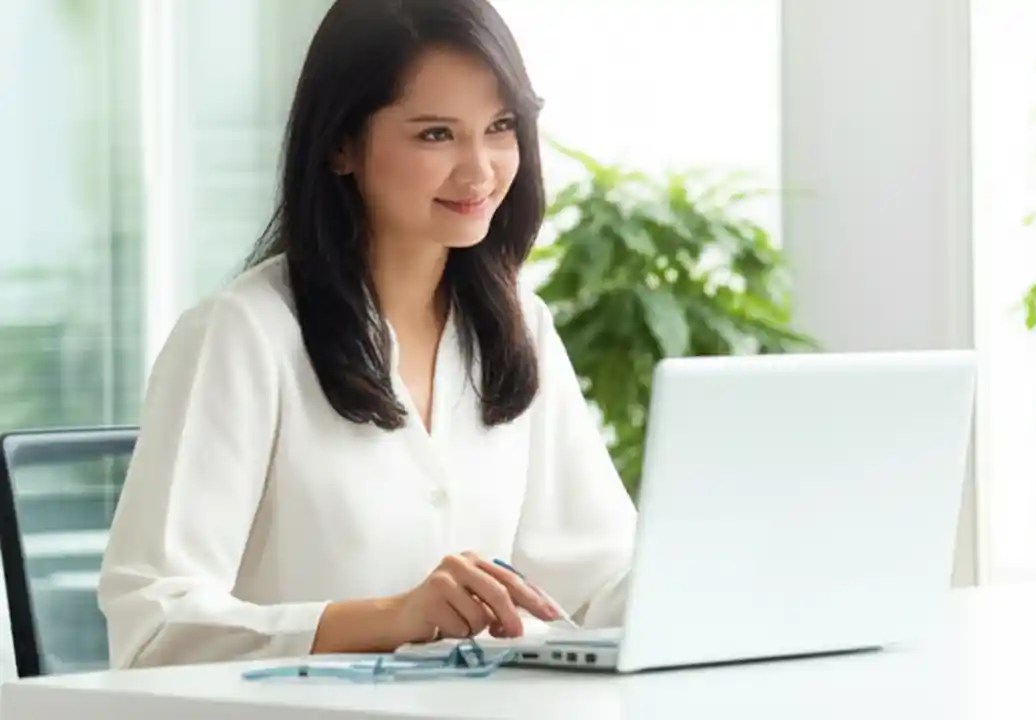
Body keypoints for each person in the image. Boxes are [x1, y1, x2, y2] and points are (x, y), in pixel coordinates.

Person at [97, 0, 636, 669]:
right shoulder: (242, 336)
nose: (480, 170)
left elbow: (599, 580)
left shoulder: (515, 322)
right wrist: (392, 618)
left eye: (500, 127)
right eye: (436, 134)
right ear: (341, 145)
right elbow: (155, 628)